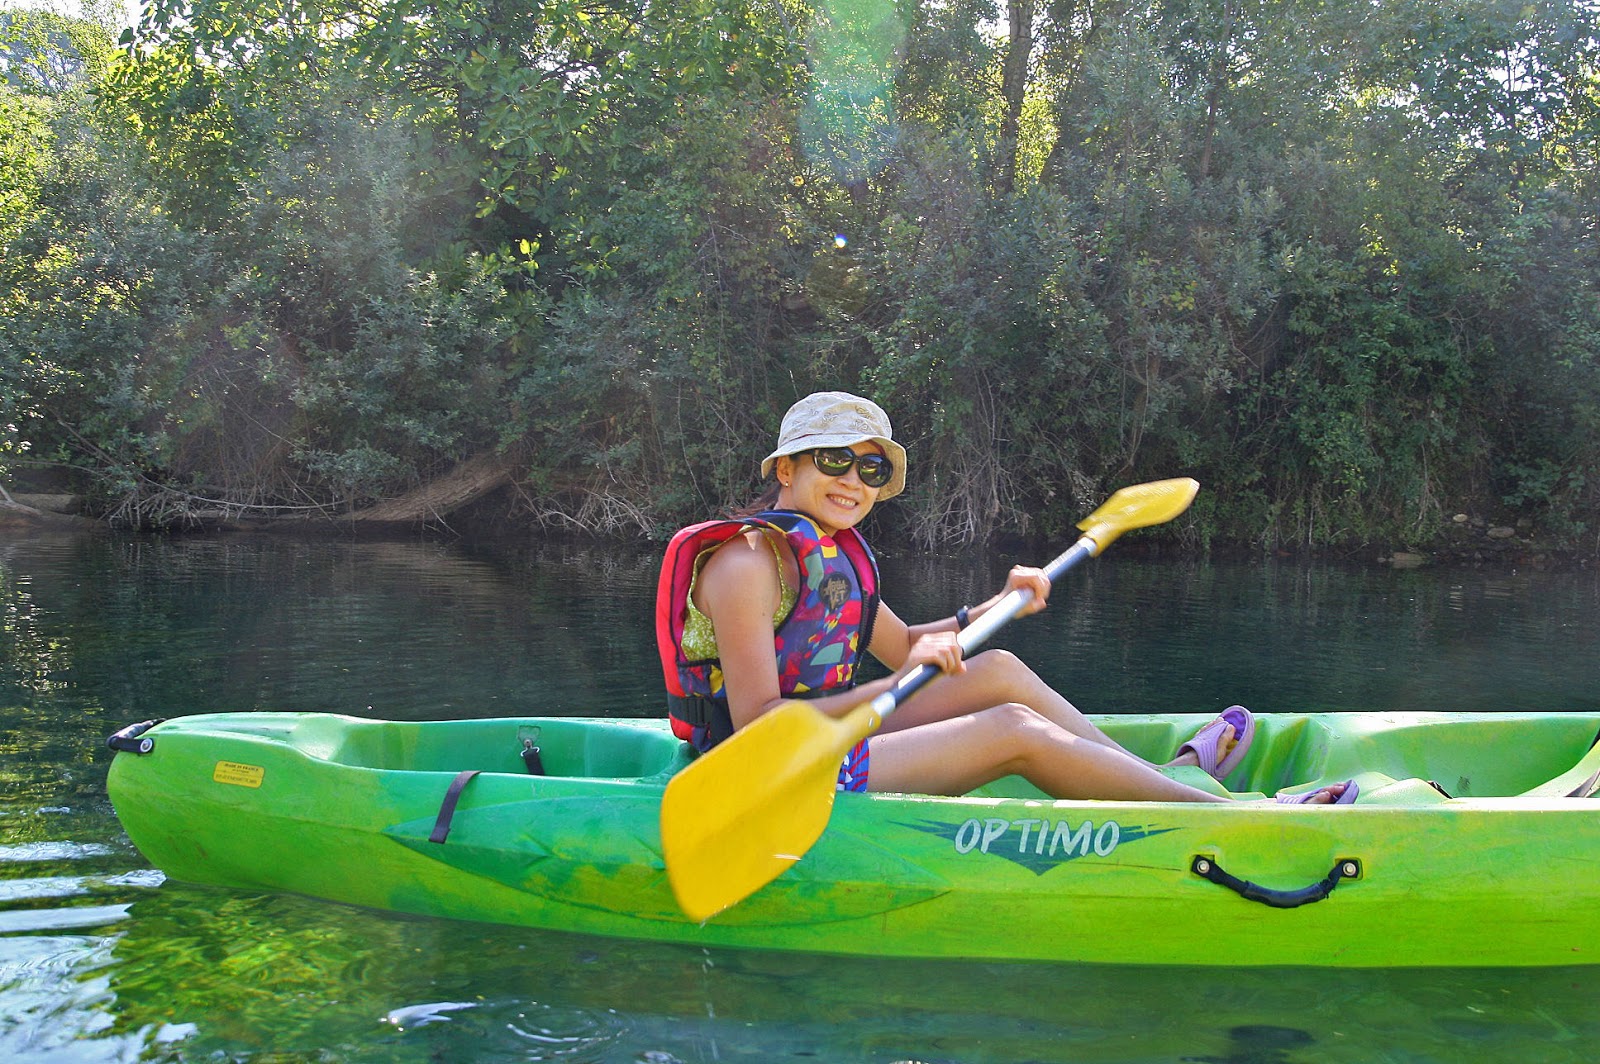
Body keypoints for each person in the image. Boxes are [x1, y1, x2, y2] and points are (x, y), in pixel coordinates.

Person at [657, 390, 1356, 805]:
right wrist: (896, 684)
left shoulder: (832, 554)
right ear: (785, 468)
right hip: (763, 774)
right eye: (834, 460)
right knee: (1012, 730)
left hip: (821, 744)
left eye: (870, 467)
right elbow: (758, 726)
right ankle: (1222, 813)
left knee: (996, 671)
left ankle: (1156, 775)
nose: (854, 480)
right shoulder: (746, 563)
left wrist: (996, 604)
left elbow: (903, 648)